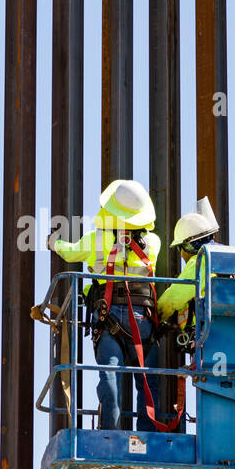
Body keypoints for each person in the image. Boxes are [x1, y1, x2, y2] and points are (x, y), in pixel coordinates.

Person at [50, 179, 163, 432]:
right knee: (147, 381)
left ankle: (109, 433)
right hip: (143, 319)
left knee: (109, 376)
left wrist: (53, 243)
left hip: (108, 316)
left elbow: (69, 253)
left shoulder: (95, 240)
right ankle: (146, 435)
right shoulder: (153, 243)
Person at [157, 197, 220, 332]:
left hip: (209, 333)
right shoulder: (230, 258)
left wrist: (154, 319)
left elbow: (171, 299)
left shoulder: (200, 262)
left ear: (187, 247)